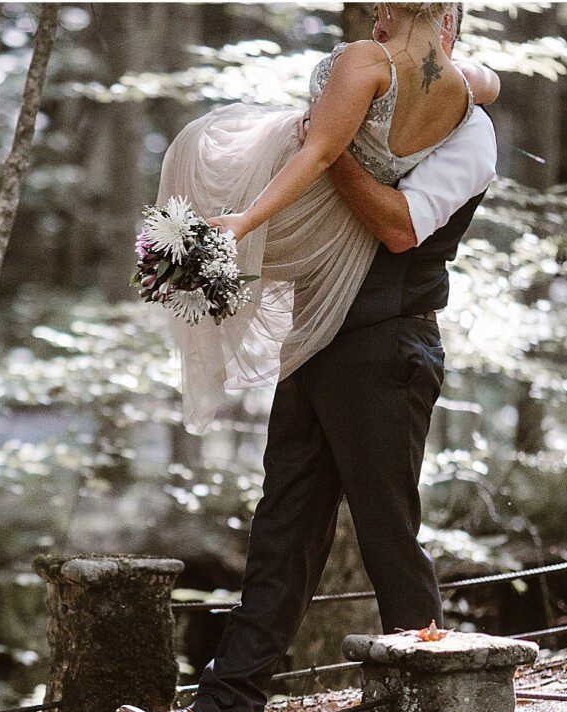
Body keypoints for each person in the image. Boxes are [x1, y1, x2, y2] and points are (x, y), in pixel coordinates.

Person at [119, 2, 498, 712]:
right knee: (283, 526)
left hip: (388, 347)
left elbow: (399, 227)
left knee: (389, 536)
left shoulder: (472, 133)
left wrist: (330, 152)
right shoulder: (401, 79)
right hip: (319, 339)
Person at [157, 2, 497, 434]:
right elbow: (485, 82)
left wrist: (245, 221)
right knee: (286, 497)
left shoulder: (371, 63)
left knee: (200, 150)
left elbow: (322, 156)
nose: (376, 28)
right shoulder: (462, 92)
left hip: (375, 323)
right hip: (321, 302)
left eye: (381, 14)